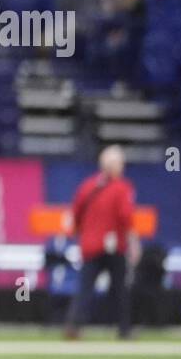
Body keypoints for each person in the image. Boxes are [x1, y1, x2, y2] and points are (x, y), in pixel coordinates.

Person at [64, 145, 137, 340]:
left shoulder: (88, 186)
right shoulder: (122, 188)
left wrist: (82, 234)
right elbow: (126, 218)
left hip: (90, 245)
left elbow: (76, 214)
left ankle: (74, 325)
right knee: (120, 290)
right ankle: (124, 329)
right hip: (114, 247)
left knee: (85, 289)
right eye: (120, 163)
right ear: (113, 165)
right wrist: (134, 244)